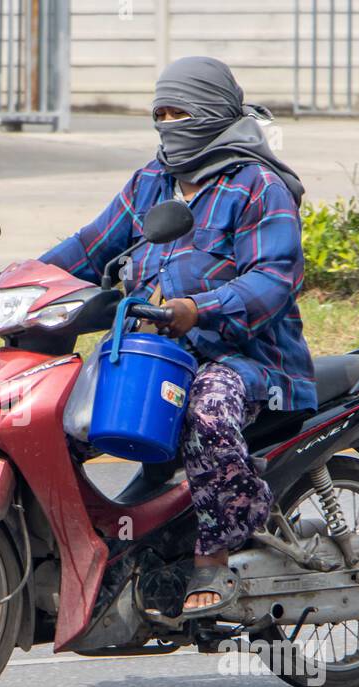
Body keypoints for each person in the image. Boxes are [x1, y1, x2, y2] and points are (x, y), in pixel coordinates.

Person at [40, 56, 316, 620]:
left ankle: (217, 550)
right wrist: (22, 286)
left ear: (213, 112)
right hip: (156, 354)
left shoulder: (258, 185)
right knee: (59, 417)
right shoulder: (151, 181)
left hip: (247, 358)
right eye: (159, 114)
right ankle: (91, 552)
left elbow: (272, 281)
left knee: (206, 410)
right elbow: (90, 249)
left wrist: (200, 309)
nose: (167, 125)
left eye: (179, 112)